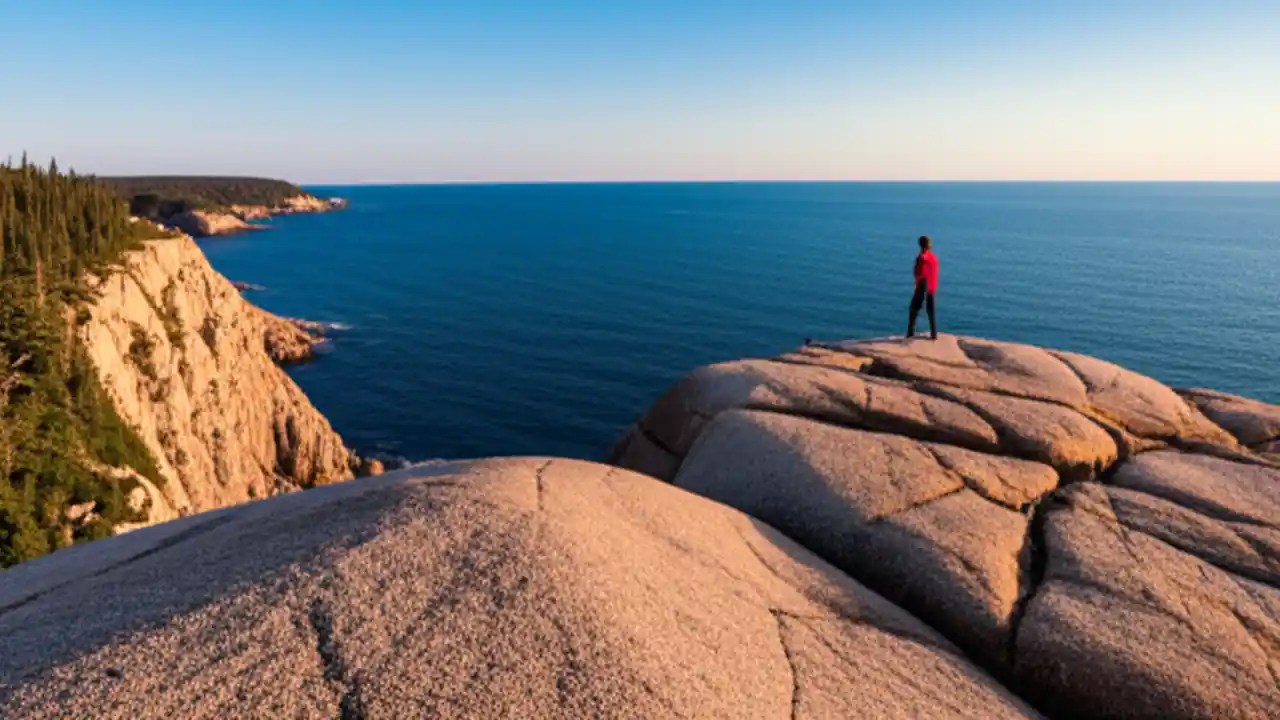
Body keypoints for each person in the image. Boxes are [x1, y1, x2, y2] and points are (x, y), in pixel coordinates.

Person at [907, 235, 939, 339]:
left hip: (922, 285)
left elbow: (919, 273)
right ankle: (934, 334)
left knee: (914, 309)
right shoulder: (934, 257)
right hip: (932, 286)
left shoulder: (922, 257)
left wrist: (917, 280)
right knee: (931, 310)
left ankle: (910, 333)